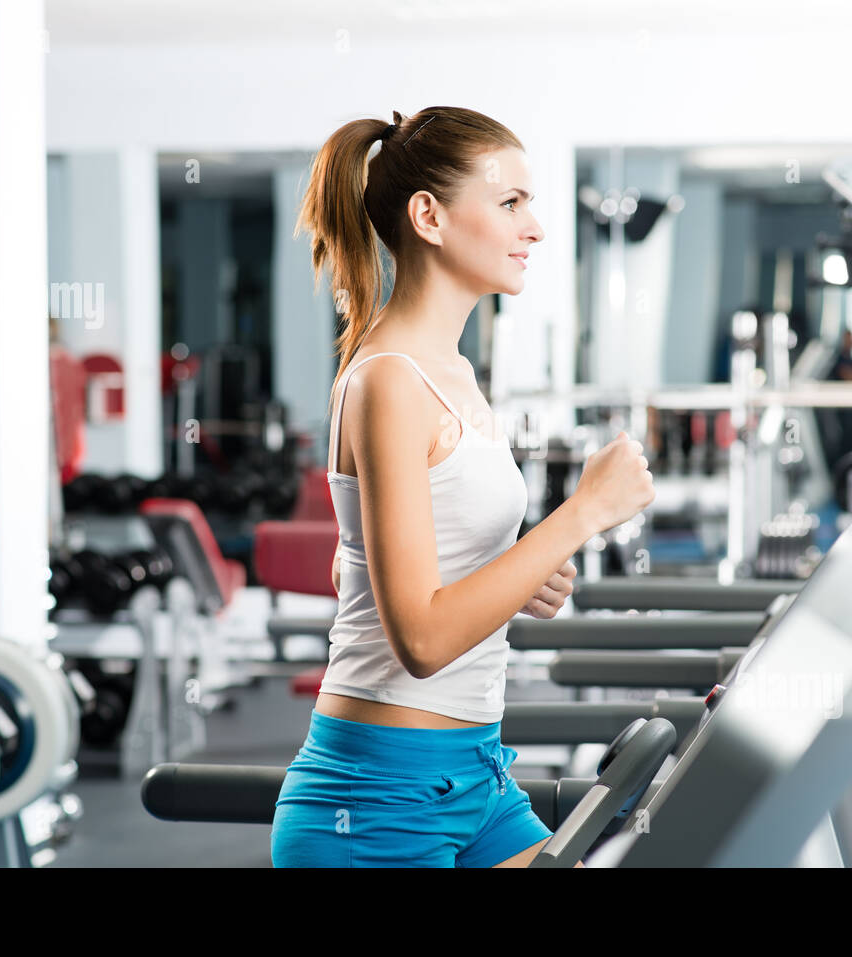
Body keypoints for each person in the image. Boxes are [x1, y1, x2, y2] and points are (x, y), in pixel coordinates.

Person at [270, 107, 655, 868]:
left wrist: (522, 576)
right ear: (429, 217)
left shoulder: (455, 376)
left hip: (478, 778)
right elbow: (420, 637)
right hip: (376, 800)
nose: (536, 228)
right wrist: (580, 514)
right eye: (511, 202)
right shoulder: (388, 380)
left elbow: (359, 568)